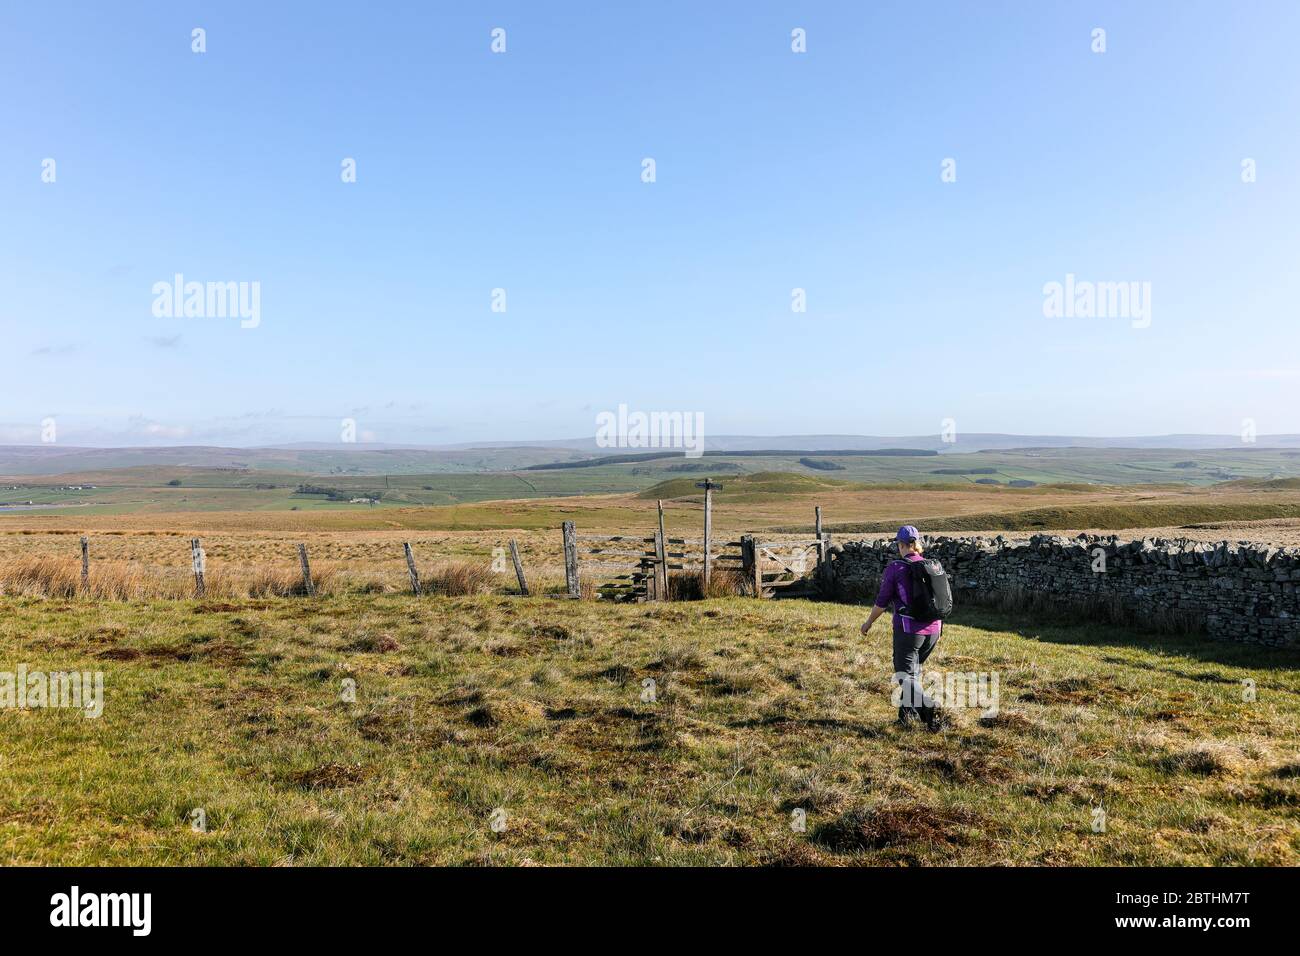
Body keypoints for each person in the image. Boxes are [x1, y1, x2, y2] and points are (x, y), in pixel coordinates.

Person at [860, 525, 948, 730]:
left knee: (905, 675)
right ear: (916, 544)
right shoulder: (931, 565)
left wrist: (868, 622)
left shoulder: (896, 568)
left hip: (909, 631)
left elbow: (882, 602)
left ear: (900, 545)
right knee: (913, 674)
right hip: (934, 630)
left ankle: (927, 706)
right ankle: (905, 718)